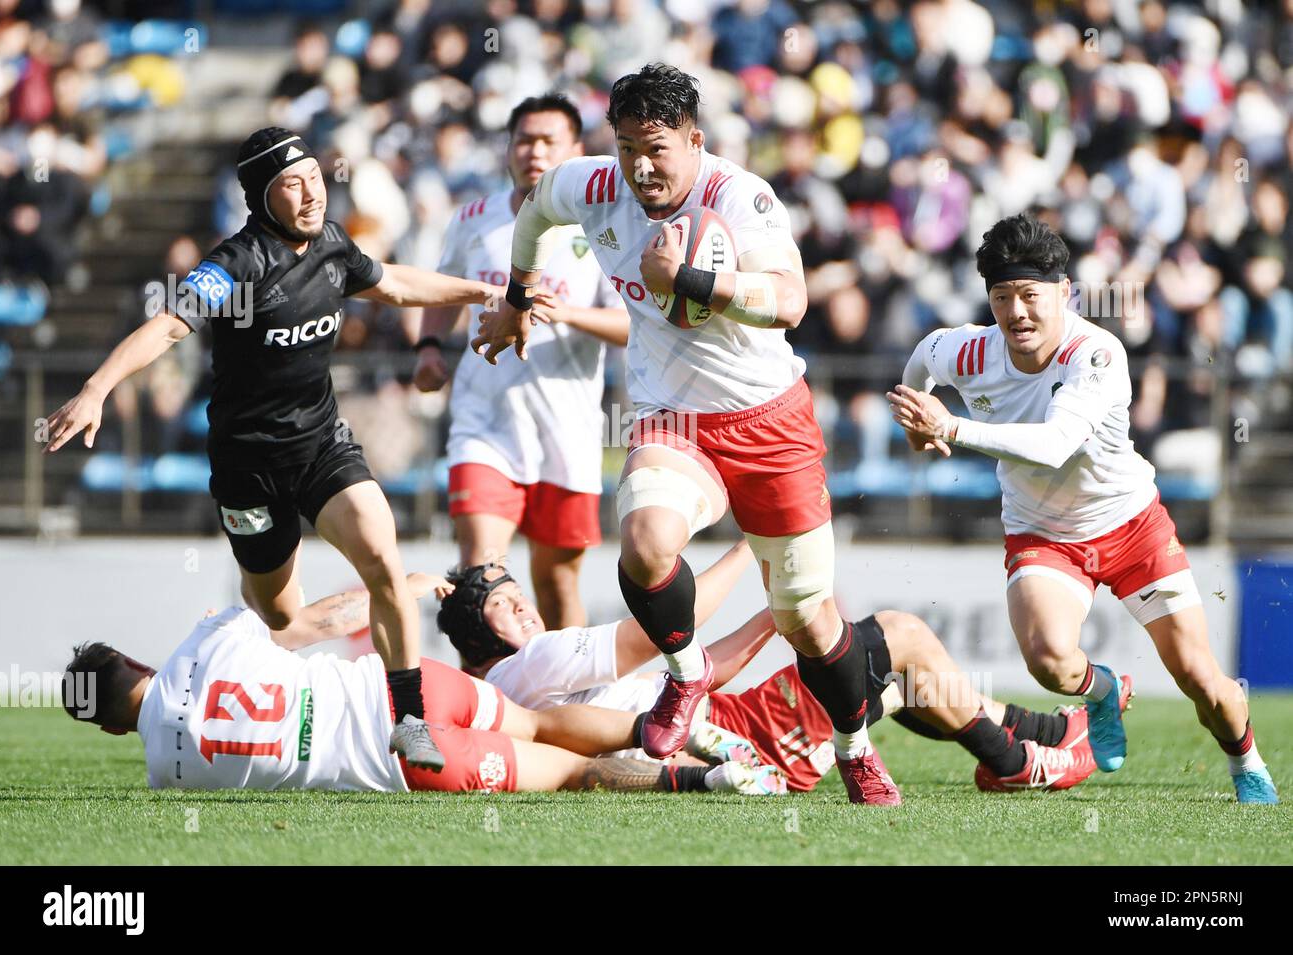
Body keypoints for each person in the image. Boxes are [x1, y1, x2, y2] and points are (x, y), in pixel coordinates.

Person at [470, 64, 888, 804]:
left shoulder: (740, 197)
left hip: (769, 420)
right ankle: (687, 674)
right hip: (673, 417)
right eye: (627, 146)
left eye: (657, 148)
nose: (640, 166)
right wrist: (516, 296)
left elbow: (790, 301)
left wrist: (694, 280)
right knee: (646, 539)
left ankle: (855, 747)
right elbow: (535, 210)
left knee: (807, 618)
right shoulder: (592, 185)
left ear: (696, 141)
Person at [44, 127, 502, 771]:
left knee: (380, 548)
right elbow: (168, 326)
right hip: (247, 469)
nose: (312, 191)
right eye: (293, 183)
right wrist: (96, 388)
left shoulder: (335, 247)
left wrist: (482, 291)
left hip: (321, 446)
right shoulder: (236, 264)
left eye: (315, 175)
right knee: (281, 622)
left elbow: (393, 284)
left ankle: (408, 717)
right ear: (263, 197)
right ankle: (292, 686)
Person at [887, 213, 1278, 804]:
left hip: (1130, 526)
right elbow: (920, 360)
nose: (1016, 312)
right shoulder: (964, 350)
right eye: (1001, 297)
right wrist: (918, 423)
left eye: (1029, 295)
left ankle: (1245, 760)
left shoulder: (1095, 353)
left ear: (1065, 293)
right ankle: (1102, 693)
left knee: (1203, 682)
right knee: (1048, 662)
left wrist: (951, 426)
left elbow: (1053, 445)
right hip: (1042, 533)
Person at [437, 543, 1122, 800]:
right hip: (742, 739)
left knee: (890, 675)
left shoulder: (512, 686)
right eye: (501, 602)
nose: (521, 603)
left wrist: (779, 608)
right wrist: (758, 541)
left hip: (720, 723)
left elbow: (700, 672)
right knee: (903, 637)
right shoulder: (532, 661)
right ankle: (1014, 760)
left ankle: (1039, 731)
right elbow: (660, 624)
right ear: (476, 632)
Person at [60, 573, 784, 797]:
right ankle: (665, 728)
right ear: (139, 662)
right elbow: (311, 621)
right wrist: (395, 586)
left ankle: (703, 784)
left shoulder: (166, 775)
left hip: (404, 759)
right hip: (405, 689)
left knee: (571, 775)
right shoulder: (209, 635)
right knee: (535, 722)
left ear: (110, 726)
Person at [413, 94, 628, 628]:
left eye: (548, 141)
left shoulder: (600, 230)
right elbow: (441, 295)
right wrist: (430, 350)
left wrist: (569, 314)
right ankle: (476, 710)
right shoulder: (473, 219)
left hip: (567, 433)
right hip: (485, 427)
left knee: (556, 586)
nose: (534, 151)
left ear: (576, 151)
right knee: (479, 583)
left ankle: (565, 707)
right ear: (508, 148)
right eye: (524, 139)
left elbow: (632, 326)